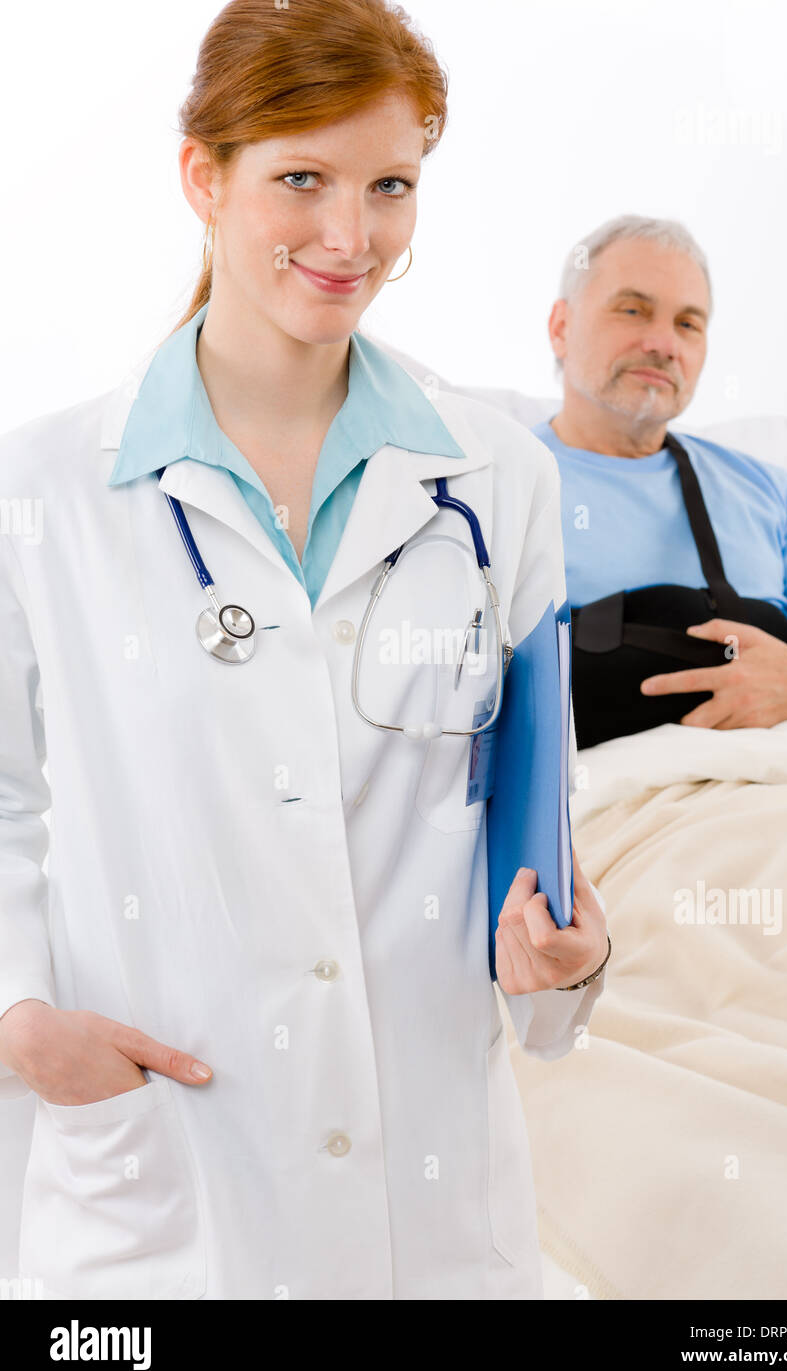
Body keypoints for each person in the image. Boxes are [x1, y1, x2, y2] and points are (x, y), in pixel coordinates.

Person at [0, 0, 608, 1301]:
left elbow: (533, 801)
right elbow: (4, 797)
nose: (351, 236)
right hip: (165, 1177)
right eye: (300, 180)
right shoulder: (42, 486)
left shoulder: (496, 475)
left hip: (432, 1187)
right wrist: (21, 1021)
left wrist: (562, 951)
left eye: (389, 185)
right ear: (201, 179)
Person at [535, 215, 787, 739]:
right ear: (561, 327)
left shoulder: (766, 493)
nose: (664, 343)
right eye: (632, 310)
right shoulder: (499, 488)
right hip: (621, 807)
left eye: (688, 324)